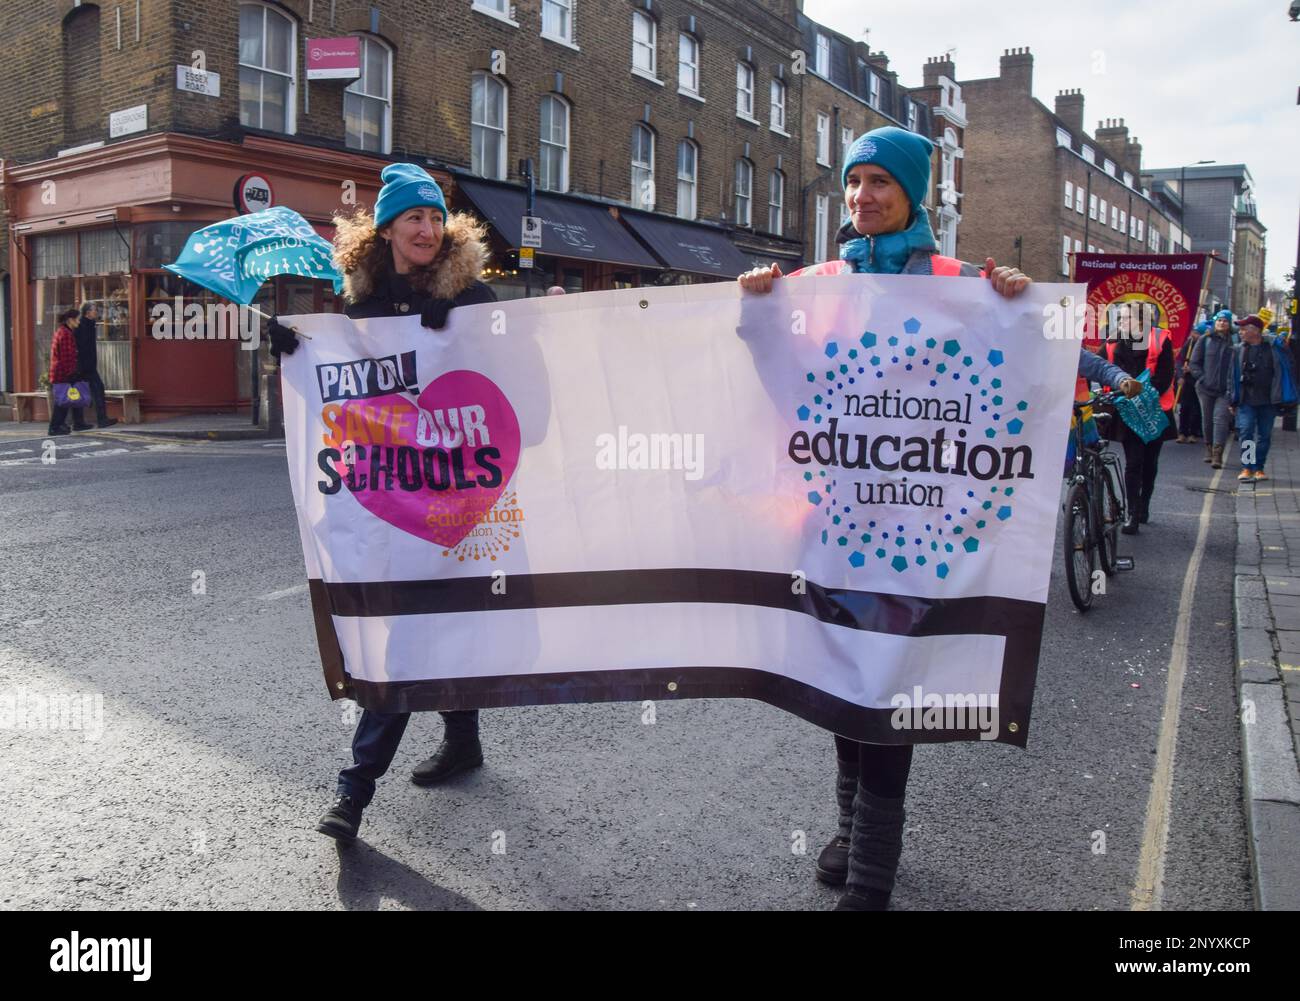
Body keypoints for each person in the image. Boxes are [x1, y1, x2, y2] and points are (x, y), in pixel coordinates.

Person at [738, 126, 1137, 911]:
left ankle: (872, 869)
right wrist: (756, 312)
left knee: (893, 683)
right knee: (842, 674)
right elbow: (778, 382)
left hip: (919, 532)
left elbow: (1031, 362)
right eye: (854, 184)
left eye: (880, 183)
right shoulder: (816, 283)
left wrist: (1022, 304)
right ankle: (850, 827)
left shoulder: (959, 279)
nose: (862, 199)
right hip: (833, 527)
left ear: (914, 192)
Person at [269, 163, 497, 843]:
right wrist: (291, 357)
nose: (426, 229)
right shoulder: (361, 309)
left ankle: (355, 786)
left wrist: (464, 327)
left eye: (434, 218)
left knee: (436, 627)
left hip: (463, 490)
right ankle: (421, 758)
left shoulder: (476, 294)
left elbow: (522, 383)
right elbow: (345, 404)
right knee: (408, 632)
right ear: (387, 232)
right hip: (396, 494)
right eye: (411, 219)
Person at [1102, 307, 1175, 532]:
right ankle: (1132, 513)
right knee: (1133, 463)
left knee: (1150, 463)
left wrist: (1143, 396)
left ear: (1142, 321)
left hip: (1154, 410)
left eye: (1126, 317)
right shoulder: (1112, 342)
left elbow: (1165, 376)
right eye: (1120, 317)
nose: (1121, 321)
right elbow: (1100, 368)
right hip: (1126, 413)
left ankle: (1144, 506)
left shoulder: (1160, 340)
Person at [1228, 313, 1298, 481]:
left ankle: (1259, 467)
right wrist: (1232, 398)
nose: (1241, 332)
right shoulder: (1238, 350)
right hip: (1246, 400)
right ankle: (1247, 467)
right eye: (1241, 329)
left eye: (1244, 329)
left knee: (1264, 435)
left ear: (1256, 331)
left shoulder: (1274, 348)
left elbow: (1287, 368)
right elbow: (1231, 376)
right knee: (1246, 432)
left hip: (1269, 400)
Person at [1187, 310, 1235, 468]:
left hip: (1225, 390)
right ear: (1215, 322)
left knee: (1220, 420)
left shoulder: (1235, 341)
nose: (1222, 323)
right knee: (1207, 421)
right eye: (1219, 320)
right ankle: (1208, 447)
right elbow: (1194, 362)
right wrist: (1202, 378)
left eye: (1225, 321)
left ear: (1229, 324)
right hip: (1205, 389)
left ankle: (1217, 454)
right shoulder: (1205, 339)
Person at [47, 308, 93, 436]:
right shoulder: (66, 334)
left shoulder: (63, 331)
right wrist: (72, 373)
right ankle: (55, 427)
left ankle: (76, 423)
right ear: (70, 320)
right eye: (77, 320)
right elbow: (67, 356)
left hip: (61, 371)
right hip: (63, 373)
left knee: (72, 396)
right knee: (62, 401)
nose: (79, 322)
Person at [74, 303, 118, 429]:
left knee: (92, 390)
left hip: (88, 365)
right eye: (94, 310)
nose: (96, 312)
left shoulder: (89, 324)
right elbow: (81, 346)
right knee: (96, 390)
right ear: (87, 312)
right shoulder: (81, 325)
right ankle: (98, 420)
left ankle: (82, 422)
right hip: (83, 366)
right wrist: (81, 364)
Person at [1174, 321, 1206, 443]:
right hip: (1186, 380)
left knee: (1196, 407)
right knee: (1184, 406)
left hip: (1197, 380)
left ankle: (1194, 432)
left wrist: (1192, 369)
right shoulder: (1188, 343)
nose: (1194, 335)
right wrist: (1180, 375)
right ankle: (1182, 432)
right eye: (1194, 332)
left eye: (1197, 333)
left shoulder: (1204, 345)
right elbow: (1180, 360)